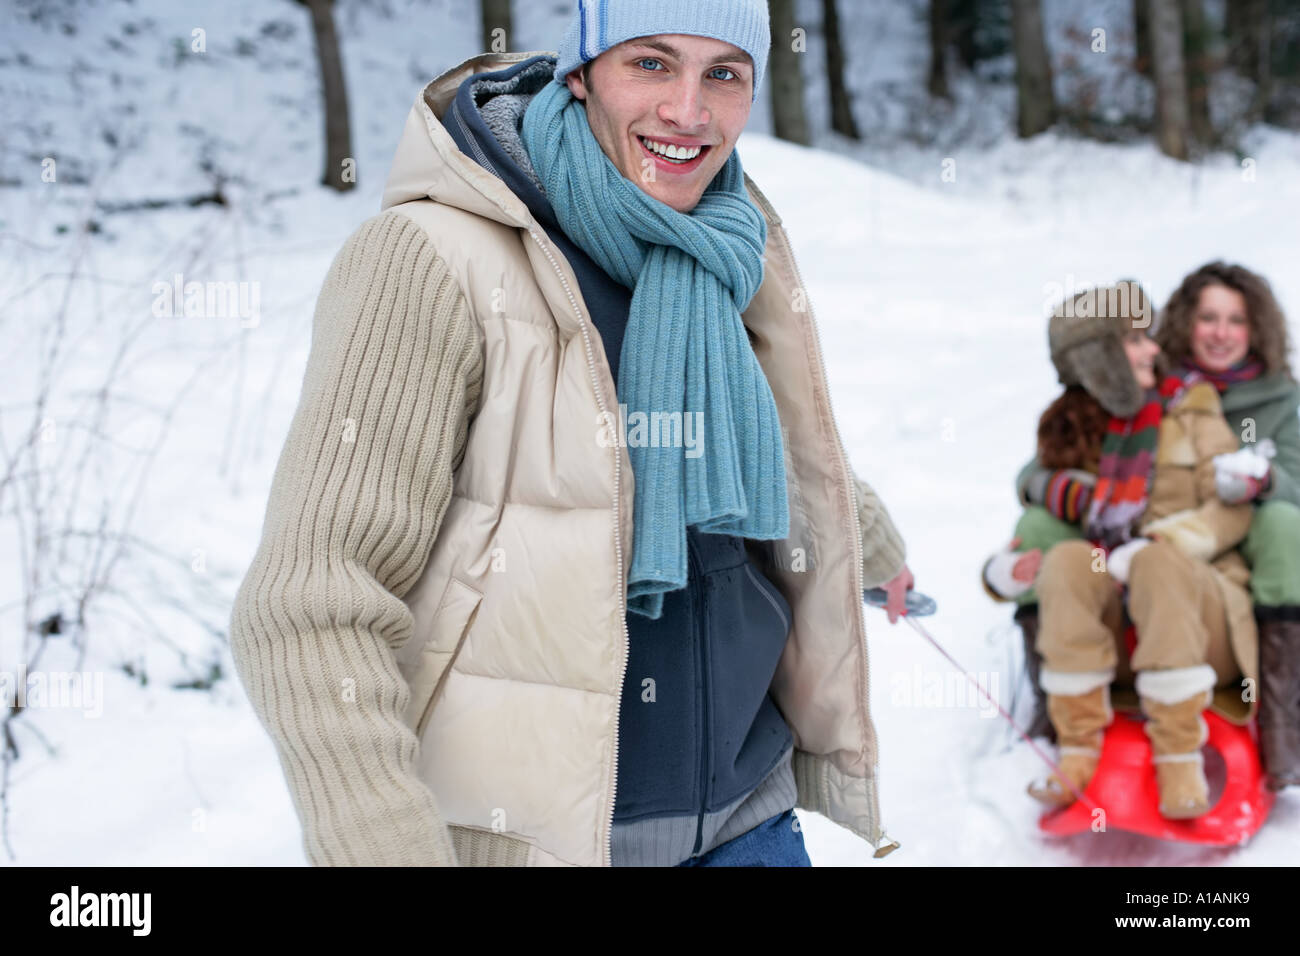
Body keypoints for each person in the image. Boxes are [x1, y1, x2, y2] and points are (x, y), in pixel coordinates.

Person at [228, 0, 915, 867]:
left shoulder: (724, 239)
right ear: (580, 71)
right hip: (544, 840)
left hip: (751, 816)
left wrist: (872, 546)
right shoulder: (432, 258)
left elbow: (767, 442)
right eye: (653, 64)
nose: (689, 112)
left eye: (724, 74)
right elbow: (309, 601)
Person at [1001, 263, 1300, 789]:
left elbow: (1265, 493)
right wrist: (1059, 505)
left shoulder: (1225, 403)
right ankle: (1069, 733)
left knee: (1266, 528)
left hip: (1202, 579)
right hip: (1118, 590)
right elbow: (1035, 473)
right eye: (1208, 318)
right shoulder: (1087, 416)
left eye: (1237, 320)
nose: (1222, 333)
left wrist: (1257, 481)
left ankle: (1254, 731)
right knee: (1066, 553)